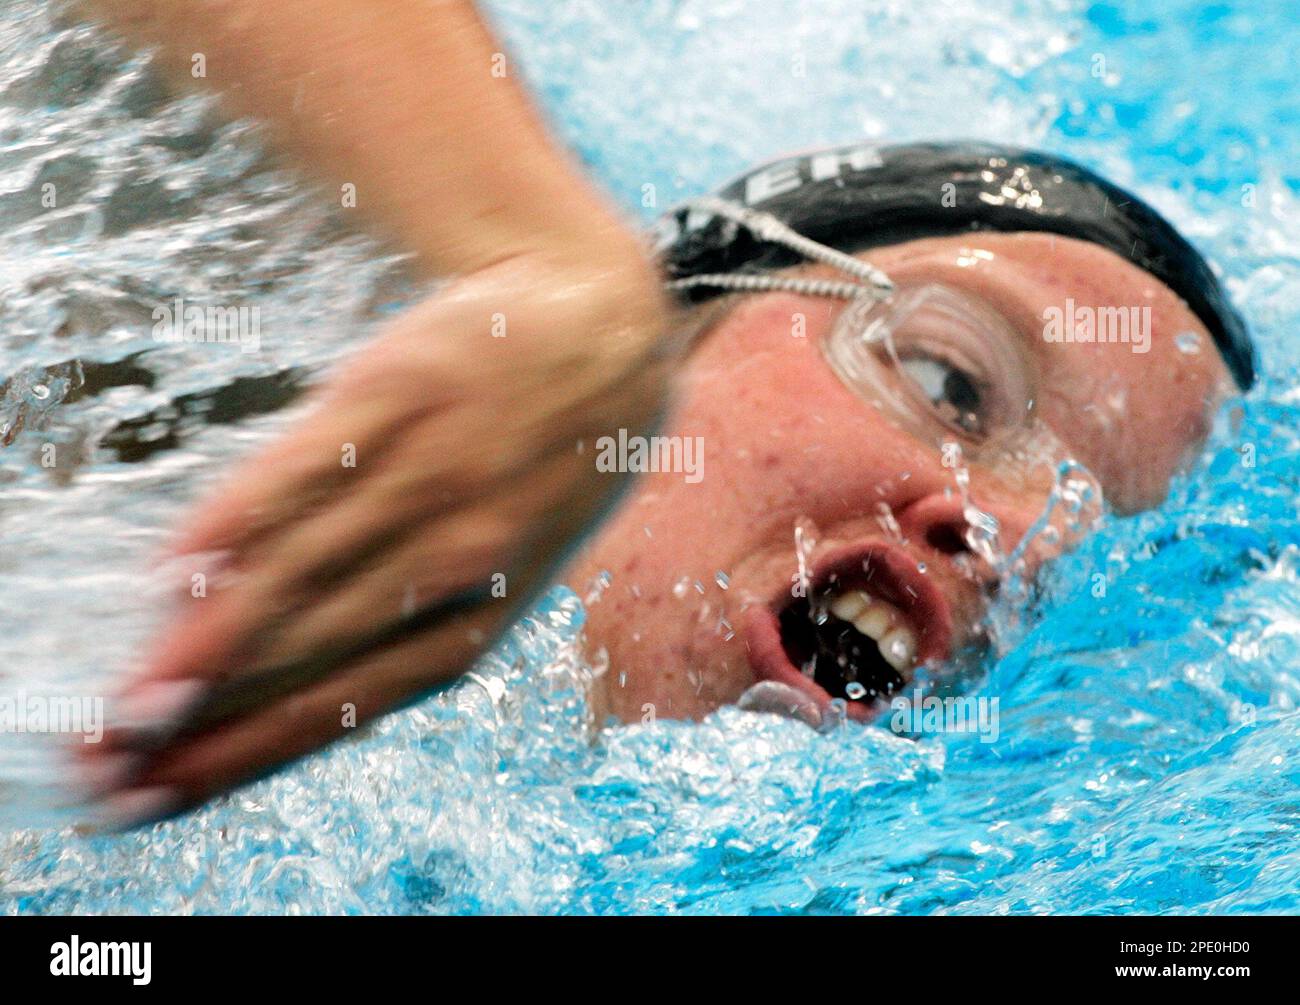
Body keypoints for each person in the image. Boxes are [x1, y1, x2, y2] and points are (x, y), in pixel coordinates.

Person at [74, 2, 1253, 827]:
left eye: (1073, 545)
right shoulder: (187, 326)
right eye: (950, 382)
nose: (1007, 536)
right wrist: (537, 264)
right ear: (686, 312)